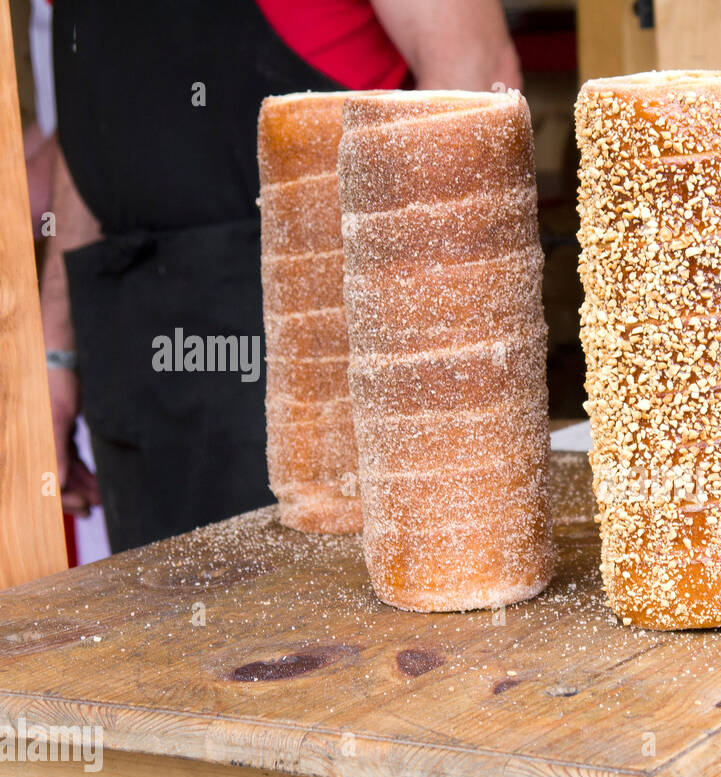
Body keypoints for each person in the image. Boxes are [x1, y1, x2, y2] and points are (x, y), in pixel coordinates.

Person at [42, 0, 521, 551]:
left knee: (327, 627)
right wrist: (55, 350)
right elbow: (93, 116)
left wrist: (431, 367)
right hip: (128, 338)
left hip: (321, 336)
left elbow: (475, 79)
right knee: (161, 624)